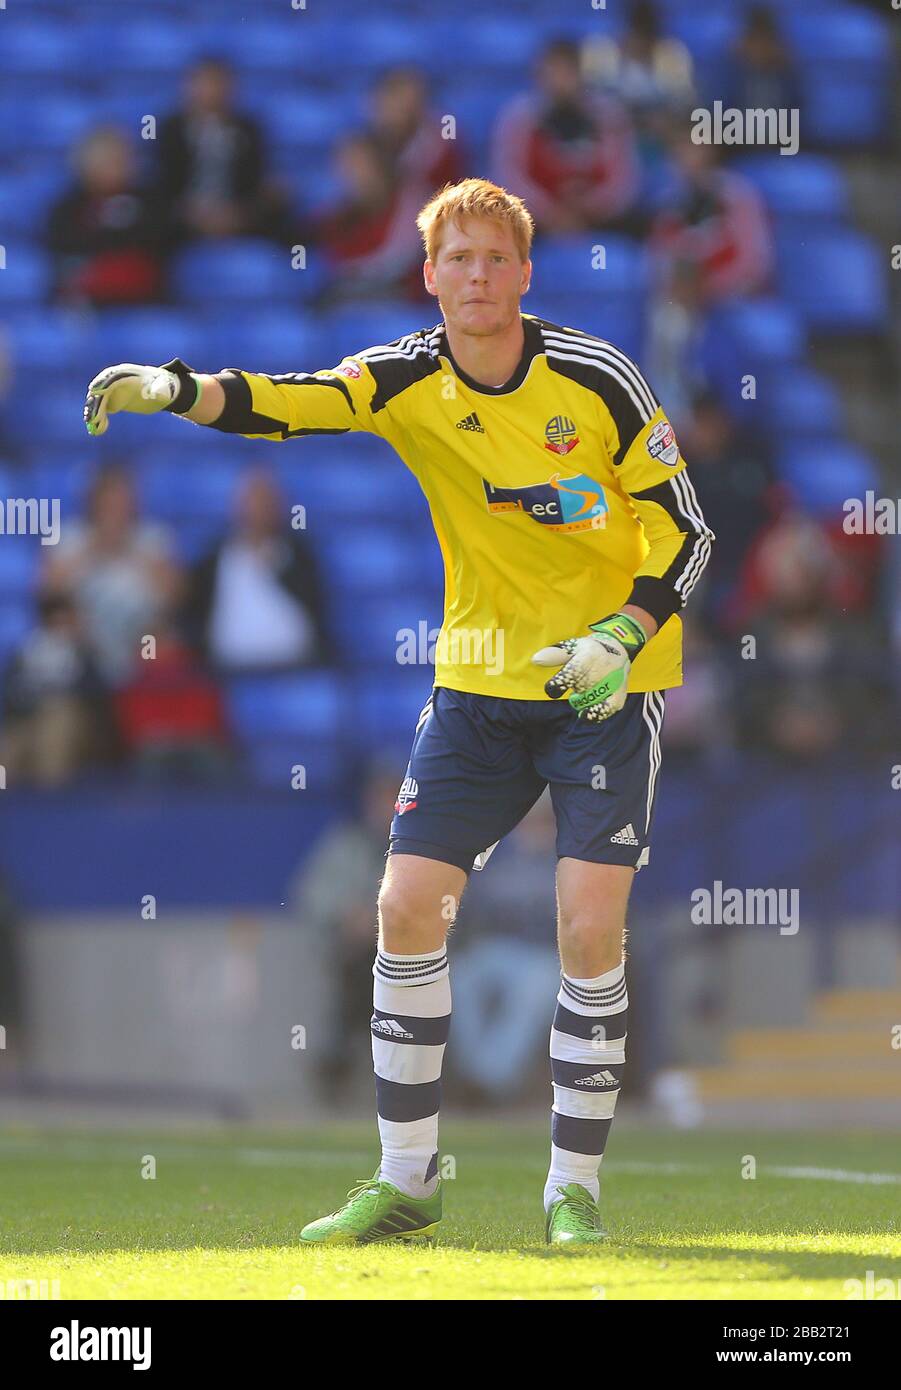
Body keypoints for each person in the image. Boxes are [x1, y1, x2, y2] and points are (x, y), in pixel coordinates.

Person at [83, 177, 714, 1247]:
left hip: (604, 687)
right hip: (474, 687)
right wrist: (174, 384)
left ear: (524, 272)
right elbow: (291, 401)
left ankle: (573, 1189)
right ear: (428, 276)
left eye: (494, 259)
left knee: (588, 928)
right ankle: (407, 1178)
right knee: (404, 907)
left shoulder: (596, 378)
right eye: (455, 260)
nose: (475, 277)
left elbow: (684, 531)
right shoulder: (404, 375)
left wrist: (619, 635)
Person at [183, 468, 330, 672]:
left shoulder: (299, 555)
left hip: (295, 672)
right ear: (237, 506)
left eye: (267, 502)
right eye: (253, 501)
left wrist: (275, 565)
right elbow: (192, 608)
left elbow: (315, 606)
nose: (259, 510)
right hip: (227, 673)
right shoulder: (214, 558)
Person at [493, 37, 639, 235]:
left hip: (599, 222)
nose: (560, 82)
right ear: (540, 76)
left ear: (581, 74)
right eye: (553, 73)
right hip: (536, 225)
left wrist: (591, 208)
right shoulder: (519, 118)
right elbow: (509, 176)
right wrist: (549, 212)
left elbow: (623, 178)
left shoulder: (608, 116)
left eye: (568, 73)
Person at [154, 56, 295, 246]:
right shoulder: (171, 129)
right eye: (205, 83)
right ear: (189, 88)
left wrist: (237, 213)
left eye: (217, 83)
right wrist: (191, 212)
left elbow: (256, 178)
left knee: (285, 216)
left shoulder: (248, 128)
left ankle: (293, 271)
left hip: (238, 214)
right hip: (185, 216)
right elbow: (163, 180)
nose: (211, 92)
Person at [46, 126, 167, 307]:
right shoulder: (68, 207)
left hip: (140, 301)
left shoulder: (149, 202)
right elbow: (64, 246)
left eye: (122, 160)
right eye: (109, 161)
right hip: (87, 301)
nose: (119, 167)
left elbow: (155, 242)